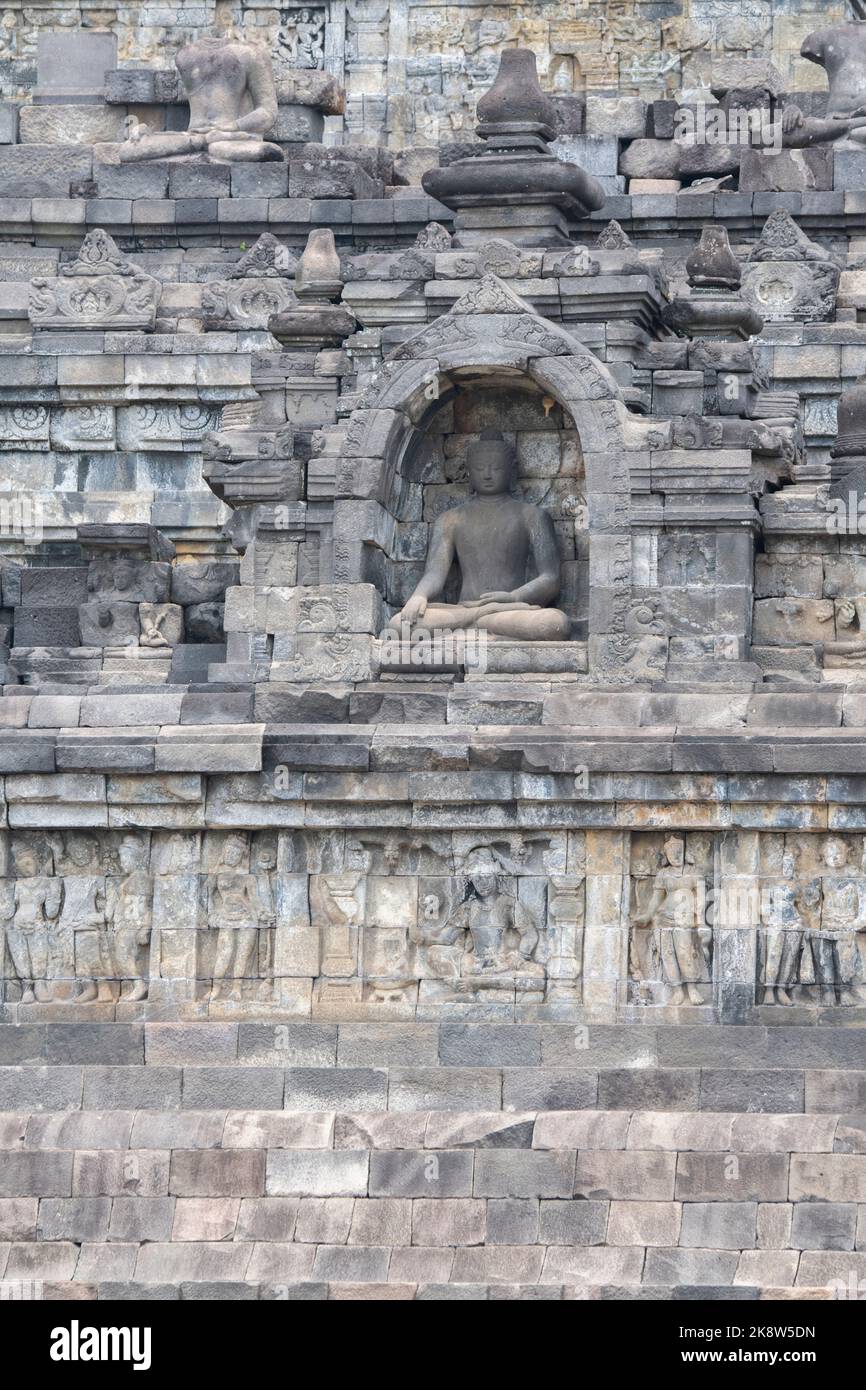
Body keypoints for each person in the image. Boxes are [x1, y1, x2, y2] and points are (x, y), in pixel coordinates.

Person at [389, 431, 570, 642]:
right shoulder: (450, 519)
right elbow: (435, 574)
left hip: (510, 610)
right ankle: (480, 619)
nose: (487, 474)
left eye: (496, 468)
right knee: (398, 625)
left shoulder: (533, 516)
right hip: (462, 609)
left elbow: (550, 578)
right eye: (479, 468)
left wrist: (513, 597)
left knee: (554, 623)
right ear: (468, 473)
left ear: (512, 472)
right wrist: (419, 596)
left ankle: (474, 625)